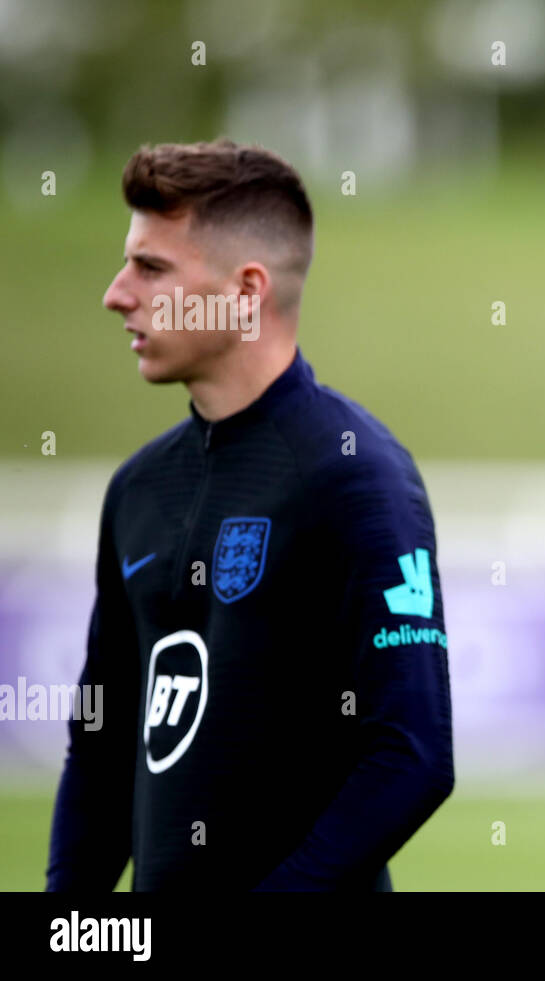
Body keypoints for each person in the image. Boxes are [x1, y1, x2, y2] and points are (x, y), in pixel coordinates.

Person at [46, 140, 453, 891]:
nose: (116, 293)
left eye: (152, 268)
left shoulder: (357, 475)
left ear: (245, 290)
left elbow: (413, 755)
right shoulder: (138, 487)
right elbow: (101, 749)